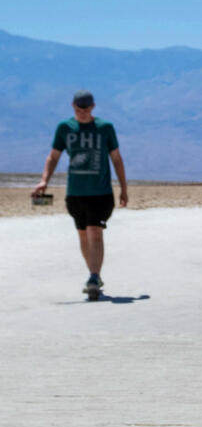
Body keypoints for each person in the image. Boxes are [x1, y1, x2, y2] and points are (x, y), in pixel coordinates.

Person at [31, 90, 128, 300]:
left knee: (95, 231)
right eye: (78, 109)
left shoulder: (105, 128)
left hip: (100, 192)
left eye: (86, 109)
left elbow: (117, 159)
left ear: (93, 107)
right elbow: (53, 157)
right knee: (83, 234)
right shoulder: (65, 128)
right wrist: (44, 181)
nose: (82, 113)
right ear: (72, 107)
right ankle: (95, 274)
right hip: (75, 193)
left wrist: (124, 188)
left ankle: (93, 277)